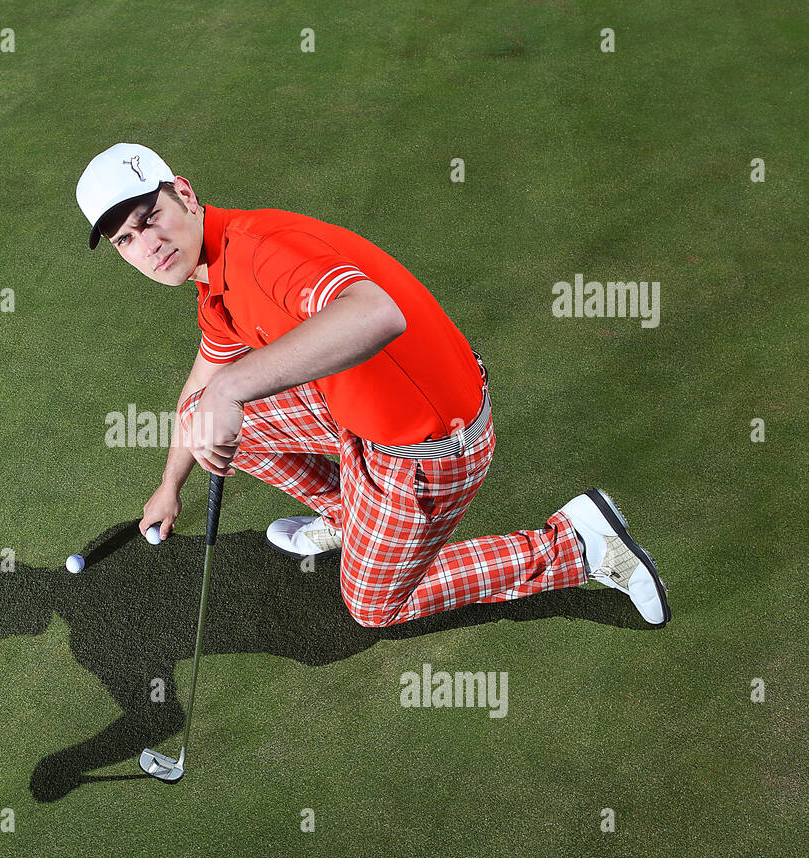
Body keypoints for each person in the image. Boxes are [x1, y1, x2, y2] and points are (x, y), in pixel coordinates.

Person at [75, 143, 670, 627]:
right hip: (362, 412)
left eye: (150, 217)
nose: (147, 245)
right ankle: (353, 516)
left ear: (184, 193)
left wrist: (231, 389)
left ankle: (575, 544)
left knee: (373, 605)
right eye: (126, 240)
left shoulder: (260, 253)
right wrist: (169, 485)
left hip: (429, 446)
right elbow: (197, 394)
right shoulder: (215, 276)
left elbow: (375, 315)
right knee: (201, 419)